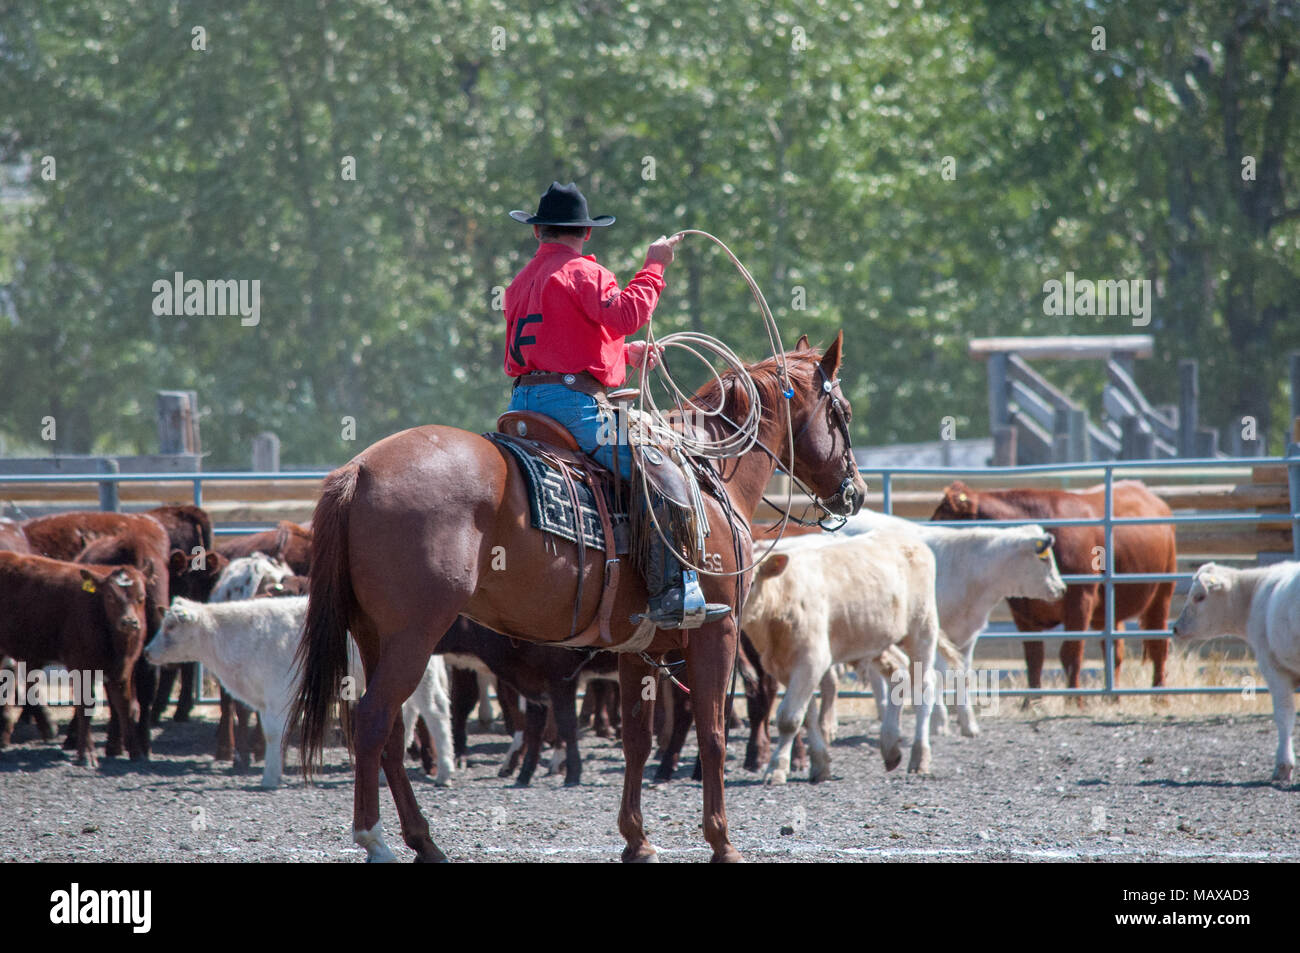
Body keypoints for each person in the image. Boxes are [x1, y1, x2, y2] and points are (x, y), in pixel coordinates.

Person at [503, 181, 730, 629]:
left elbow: (553, 343)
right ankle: (670, 593)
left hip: (524, 402)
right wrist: (654, 266)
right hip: (575, 407)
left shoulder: (519, 282)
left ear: (537, 233)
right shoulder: (585, 272)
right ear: (585, 234)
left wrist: (623, 355)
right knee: (661, 468)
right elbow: (628, 315)